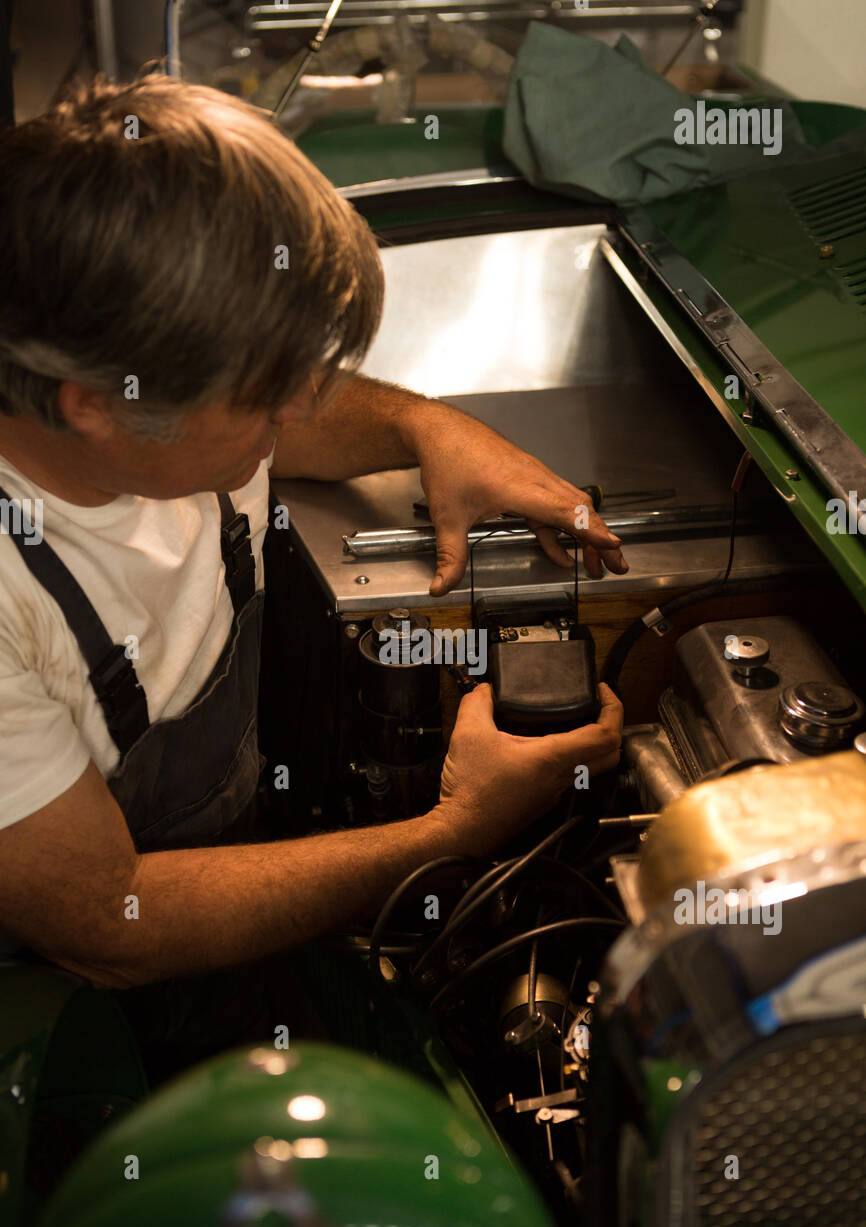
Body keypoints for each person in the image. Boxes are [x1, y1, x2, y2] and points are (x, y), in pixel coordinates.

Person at [0, 74, 625, 1002]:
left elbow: (306, 419)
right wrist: (454, 833)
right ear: (94, 406)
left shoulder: (152, 404)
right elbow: (112, 922)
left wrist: (427, 429)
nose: (301, 406)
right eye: (263, 393)